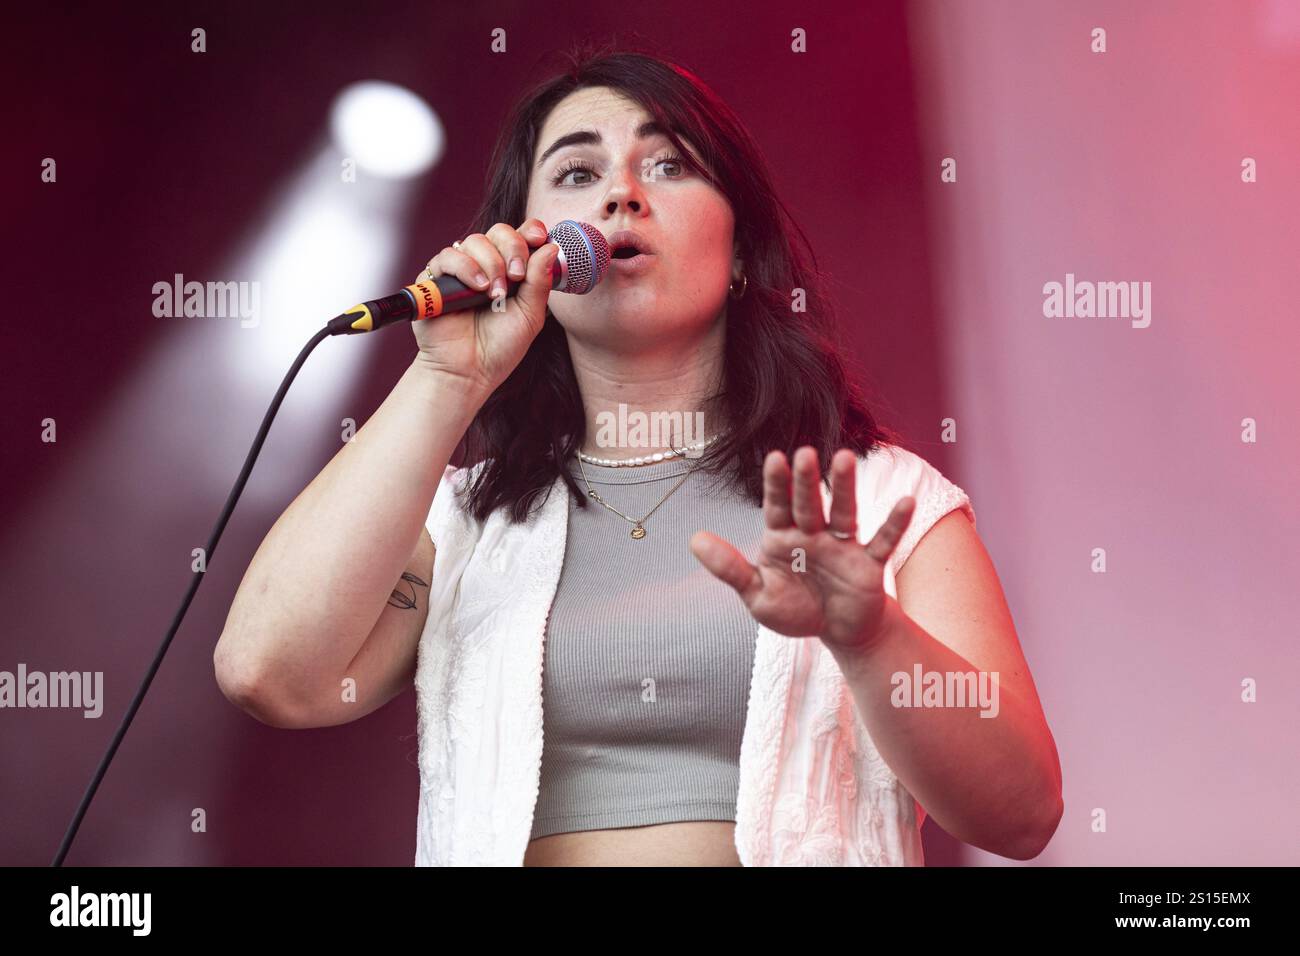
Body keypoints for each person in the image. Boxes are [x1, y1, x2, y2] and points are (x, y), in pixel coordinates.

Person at [214, 46, 1062, 867]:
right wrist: (445, 376)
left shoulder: (878, 499)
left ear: (738, 249)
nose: (620, 194)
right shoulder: (466, 525)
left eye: (667, 166)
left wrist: (873, 637)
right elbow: (268, 674)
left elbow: (1022, 815)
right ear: (528, 249)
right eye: (578, 175)